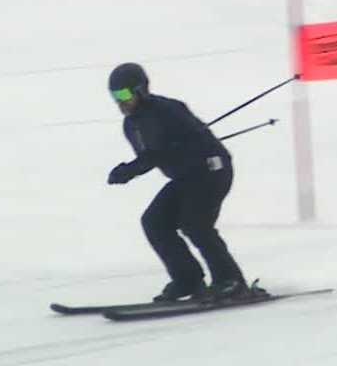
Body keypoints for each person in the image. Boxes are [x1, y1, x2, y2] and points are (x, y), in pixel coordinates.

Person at [106, 62, 259, 302]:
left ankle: (231, 281)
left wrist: (137, 167)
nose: (120, 102)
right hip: (185, 178)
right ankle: (187, 279)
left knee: (195, 224)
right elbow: (151, 156)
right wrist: (129, 170)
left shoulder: (167, 109)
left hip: (211, 170)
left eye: (124, 94)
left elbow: (186, 142)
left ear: (140, 90)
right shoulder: (131, 125)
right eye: (115, 96)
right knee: (154, 222)